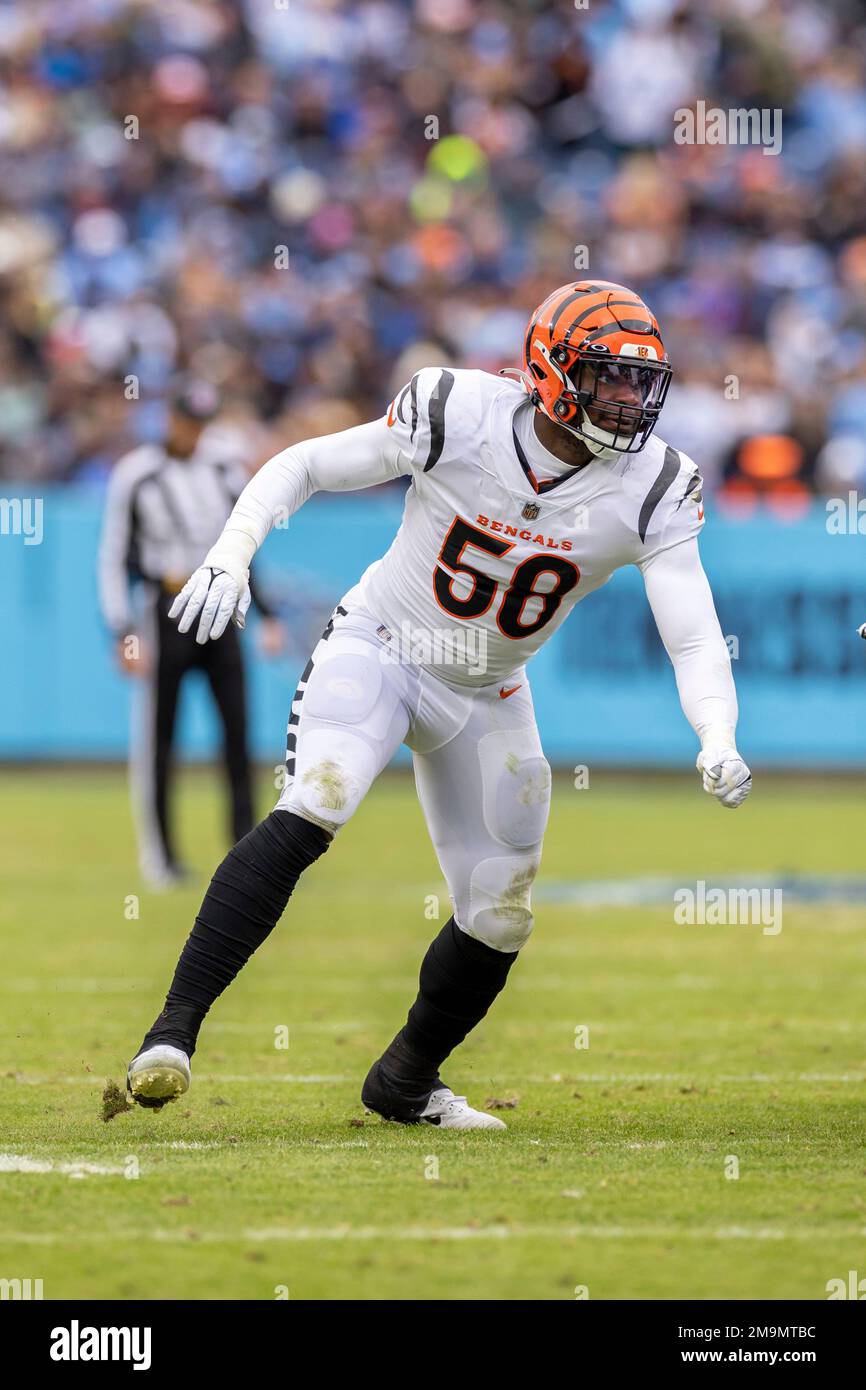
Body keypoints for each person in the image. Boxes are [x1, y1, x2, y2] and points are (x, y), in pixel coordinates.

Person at [125, 281, 751, 1127]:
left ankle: (407, 1080)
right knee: (319, 801)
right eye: (608, 378)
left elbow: (693, 634)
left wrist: (716, 733)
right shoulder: (457, 409)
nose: (629, 400)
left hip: (488, 688)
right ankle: (172, 1034)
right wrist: (230, 556)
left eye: (640, 382)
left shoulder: (655, 484)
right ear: (552, 372)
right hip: (383, 644)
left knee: (500, 914)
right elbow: (306, 463)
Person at [98, 378, 285, 887]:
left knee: (238, 734)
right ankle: (161, 857)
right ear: (169, 418)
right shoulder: (138, 474)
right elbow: (114, 556)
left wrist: (266, 613)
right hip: (166, 605)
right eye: (186, 420)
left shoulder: (223, 467)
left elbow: (246, 544)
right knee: (159, 738)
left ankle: (246, 856)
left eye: (201, 422)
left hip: (220, 602)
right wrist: (121, 631)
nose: (193, 432)